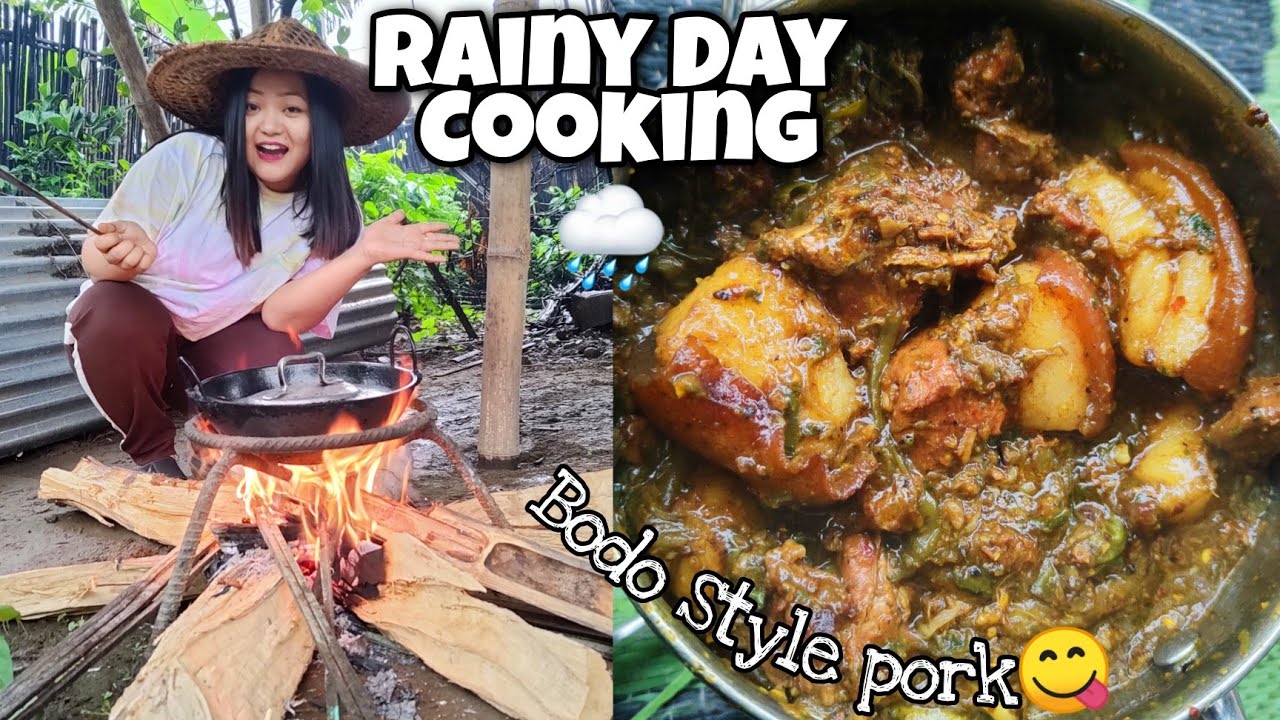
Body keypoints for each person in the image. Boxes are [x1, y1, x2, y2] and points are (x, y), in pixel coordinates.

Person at [63, 19, 455, 479]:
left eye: (292, 109)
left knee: (276, 365)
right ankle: (154, 454)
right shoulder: (187, 160)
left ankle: (229, 450)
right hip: (133, 349)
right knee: (111, 309)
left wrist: (362, 254)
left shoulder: (331, 210)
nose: (269, 125)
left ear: (322, 124)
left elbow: (282, 317)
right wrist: (119, 254)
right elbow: (94, 260)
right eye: (252, 107)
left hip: (216, 351)